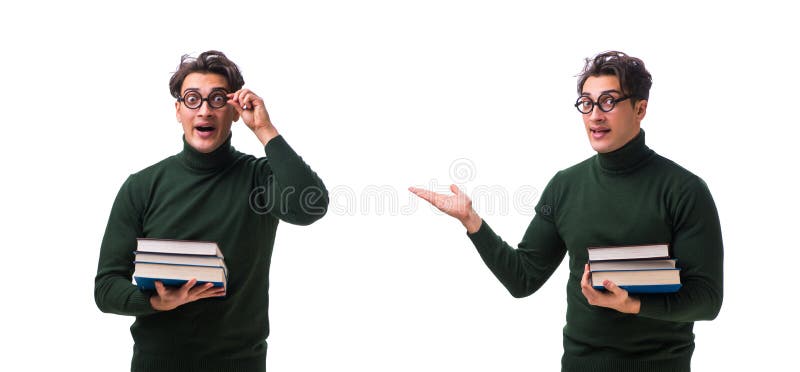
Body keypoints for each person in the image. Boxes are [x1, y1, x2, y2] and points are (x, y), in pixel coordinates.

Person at [410, 51, 723, 372]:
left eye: (609, 102)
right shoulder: (565, 185)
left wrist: (633, 304)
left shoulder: (685, 190)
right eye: (586, 103)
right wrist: (471, 221)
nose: (595, 115)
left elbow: (707, 301)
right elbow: (523, 279)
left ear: (640, 108)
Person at [95, 50, 329, 371]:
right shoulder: (142, 186)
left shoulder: (260, 178)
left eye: (217, 100)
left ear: (234, 111)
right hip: (157, 363)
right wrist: (154, 301)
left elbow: (311, 206)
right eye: (192, 99)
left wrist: (264, 130)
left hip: (239, 363)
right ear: (178, 110)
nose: (204, 111)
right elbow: (106, 288)